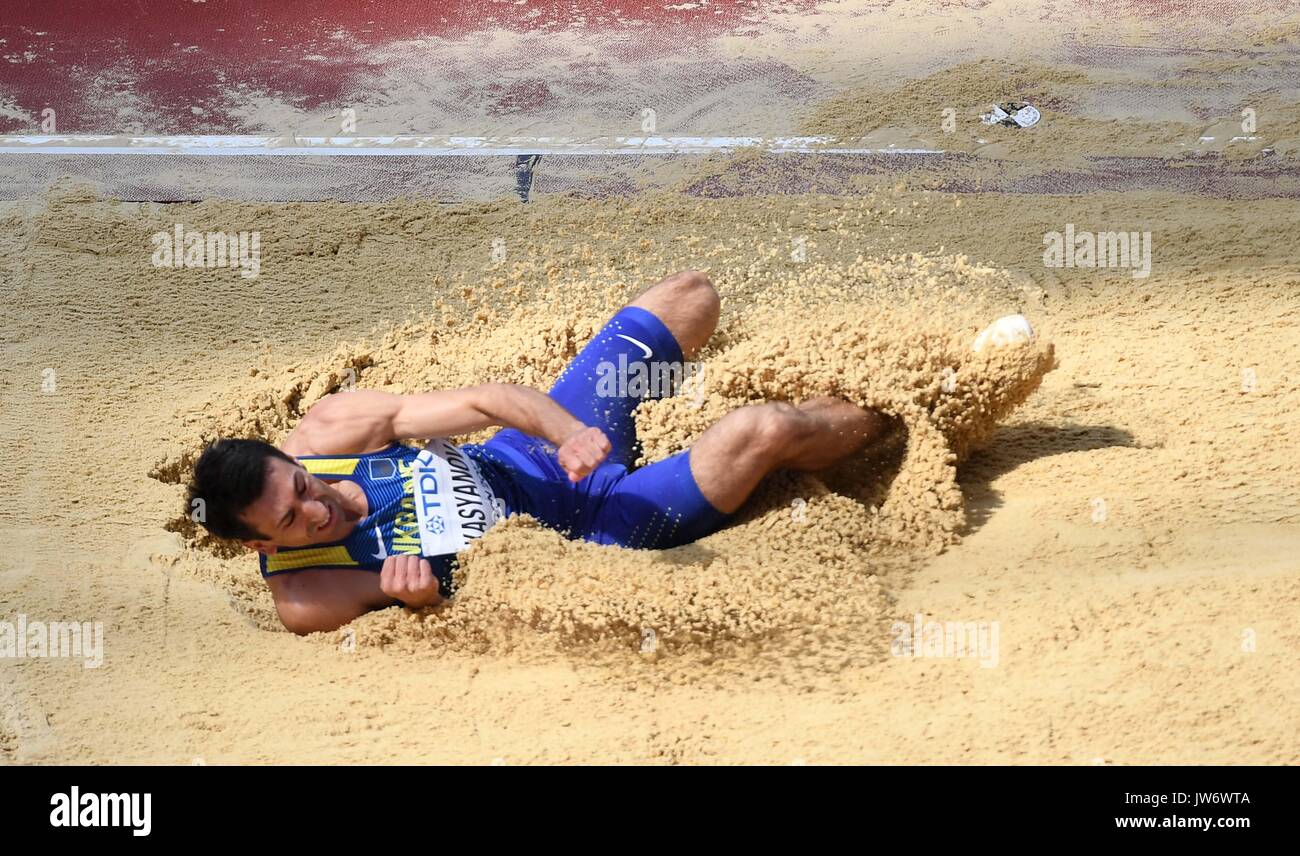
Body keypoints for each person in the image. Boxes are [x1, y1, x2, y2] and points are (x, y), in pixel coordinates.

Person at [186, 270, 1033, 634]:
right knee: (762, 432)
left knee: (688, 298)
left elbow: (483, 400)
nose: (318, 507)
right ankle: (935, 396)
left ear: (294, 456)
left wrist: (571, 431)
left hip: (548, 451)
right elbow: (448, 604)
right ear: (260, 544)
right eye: (292, 519)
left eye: (301, 486)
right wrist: (413, 598)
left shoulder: (334, 432)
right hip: (595, 528)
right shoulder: (305, 594)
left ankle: (682, 401)